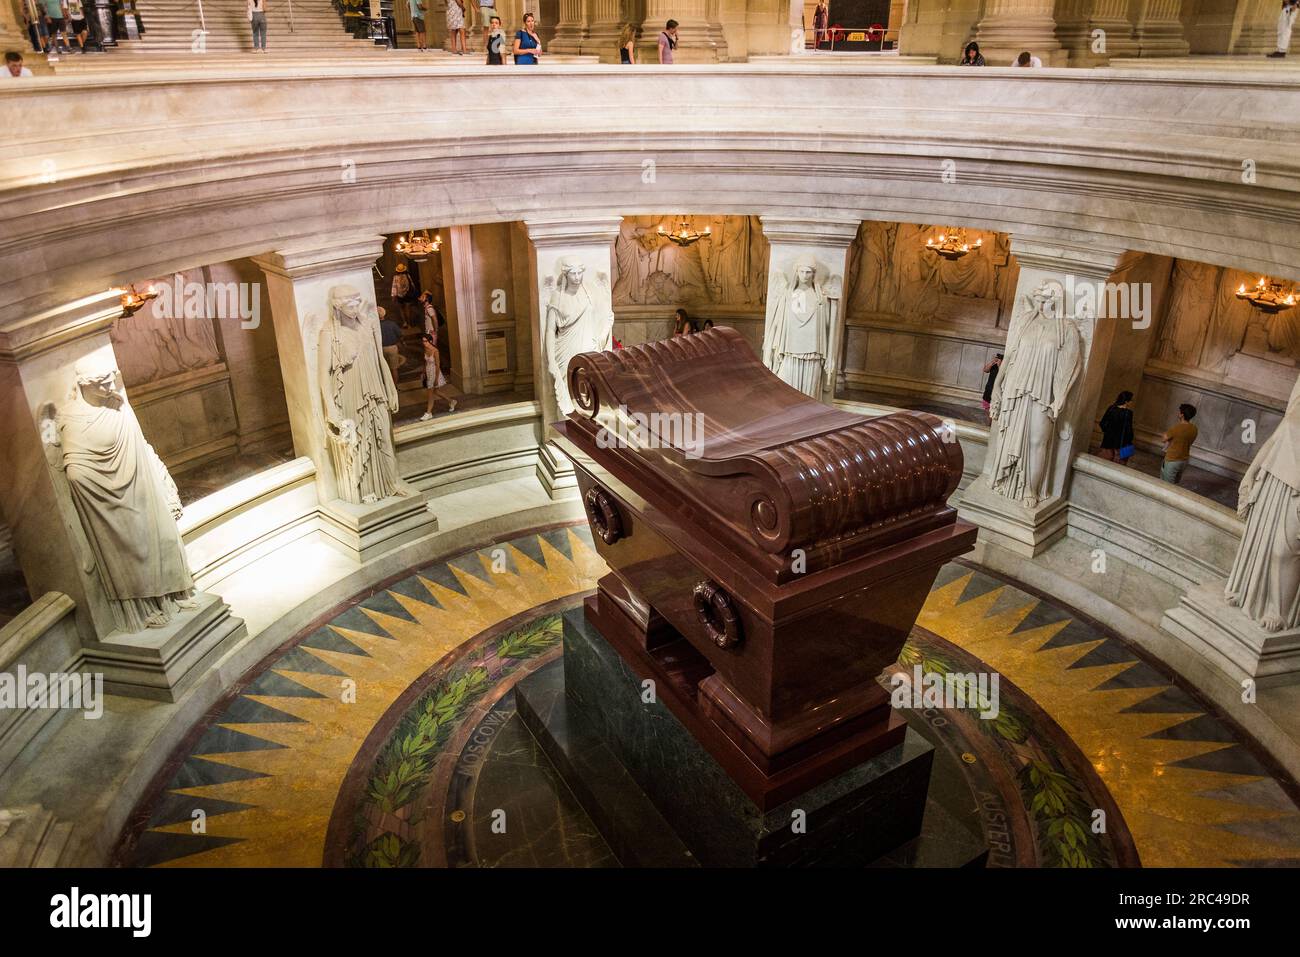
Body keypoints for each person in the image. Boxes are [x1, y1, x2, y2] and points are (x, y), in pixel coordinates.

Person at [419, 332, 457, 420]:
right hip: (428, 372)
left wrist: (436, 379)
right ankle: (452, 401)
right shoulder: (425, 349)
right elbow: (426, 362)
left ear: (430, 341)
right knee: (436, 392)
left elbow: (437, 365)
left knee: (430, 394)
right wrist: (423, 372)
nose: (424, 343)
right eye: (423, 341)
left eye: (425, 341)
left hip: (434, 372)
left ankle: (428, 413)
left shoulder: (435, 351)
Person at [1160, 403, 1198, 484]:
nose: (1178, 413)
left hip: (1172, 460)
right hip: (1184, 460)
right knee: (1175, 485)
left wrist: (1165, 434)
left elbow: (1163, 439)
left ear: (1182, 415)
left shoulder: (1177, 428)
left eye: (1179, 412)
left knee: (1166, 485)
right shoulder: (1194, 429)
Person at [1098, 390, 1135, 465]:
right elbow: (1128, 430)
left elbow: (1102, 423)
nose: (1132, 402)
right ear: (1126, 401)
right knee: (1117, 465)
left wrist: (1108, 432)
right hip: (1121, 444)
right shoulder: (1128, 413)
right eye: (1131, 400)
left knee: (1104, 463)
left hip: (1108, 440)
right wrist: (1129, 440)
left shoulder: (1111, 408)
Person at [379, 307, 402, 384]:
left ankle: (386, 386)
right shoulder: (392, 324)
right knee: (394, 369)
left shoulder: (376, 326)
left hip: (381, 349)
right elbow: (399, 334)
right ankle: (395, 386)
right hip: (392, 348)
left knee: (383, 368)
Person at [981, 353, 1002, 419]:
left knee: (993, 414)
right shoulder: (994, 365)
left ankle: (990, 426)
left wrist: (1000, 366)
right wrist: (992, 362)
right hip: (988, 391)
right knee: (988, 413)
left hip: (996, 393)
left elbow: (1003, 376)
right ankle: (989, 425)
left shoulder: (1003, 369)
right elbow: (985, 370)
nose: (997, 359)